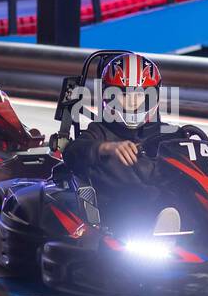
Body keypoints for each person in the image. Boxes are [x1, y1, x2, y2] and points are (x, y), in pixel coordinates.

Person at [61, 52, 182, 235]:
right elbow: (72, 152)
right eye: (124, 94)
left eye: (140, 94)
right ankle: (161, 231)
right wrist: (106, 148)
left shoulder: (165, 131)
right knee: (141, 195)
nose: (133, 100)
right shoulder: (101, 131)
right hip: (117, 207)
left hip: (166, 199)